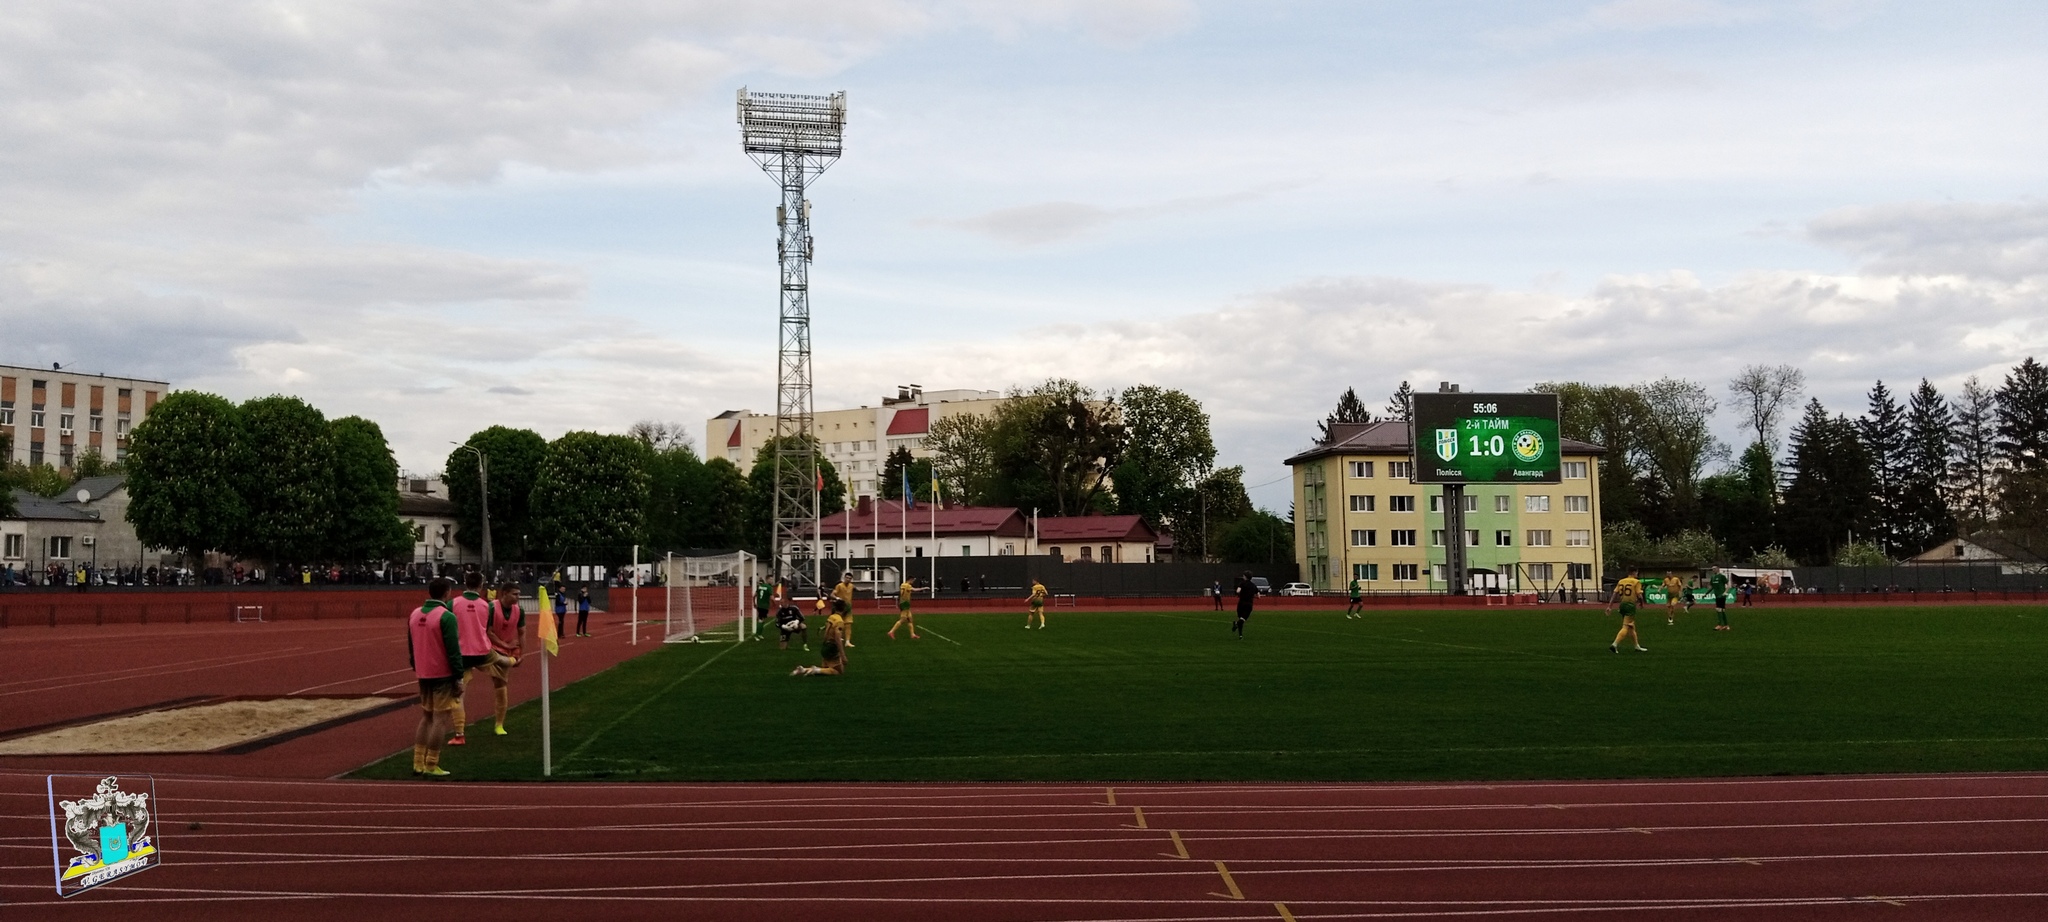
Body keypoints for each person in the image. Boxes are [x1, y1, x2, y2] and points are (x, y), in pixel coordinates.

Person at [446, 572, 515, 746]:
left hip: (461, 653)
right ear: (481, 585)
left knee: (458, 694)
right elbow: (487, 629)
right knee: (501, 665)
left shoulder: (452, 603)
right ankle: (515, 660)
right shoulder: (486, 605)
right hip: (482, 650)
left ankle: (459, 734)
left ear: (465, 583)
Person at [407, 577, 464, 777]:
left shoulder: (414, 614)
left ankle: (417, 762)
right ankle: (432, 763)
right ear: (447, 593)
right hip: (442, 673)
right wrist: (458, 676)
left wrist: (417, 665)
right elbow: (453, 650)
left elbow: (411, 645)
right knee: (440, 719)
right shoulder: (446, 616)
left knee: (426, 717)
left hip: (423, 673)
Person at [482, 582, 524, 735]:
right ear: (504, 593)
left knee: (500, 685)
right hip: (487, 649)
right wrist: (505, 645)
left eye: (518, 594)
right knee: (463, 680)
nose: (518, 597)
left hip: (503, 652)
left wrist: (521, 653)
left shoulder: (519, 611)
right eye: (515, 594)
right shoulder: (491, 608)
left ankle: (499, 724)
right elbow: (488, 632)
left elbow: (522, 632)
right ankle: (459, 730)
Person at [1607, 568, 1648, 653]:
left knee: (1631, 626)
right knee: (1626, 626)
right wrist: (1642, 603)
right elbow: (1639, 595)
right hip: (1630, 605)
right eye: (1637, 572)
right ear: (1634, 572)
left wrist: (1610, 606)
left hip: (1622, 605)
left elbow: (1614, 594)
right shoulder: (1636, 582)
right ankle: (1614, 644)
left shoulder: (1621, 581)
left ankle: (1637, 646)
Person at [832, 574, 857, 648]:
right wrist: (837, 598)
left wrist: (867, 589)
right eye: (847, 578)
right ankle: (835, 637)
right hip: (840, 608)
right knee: (839, 624)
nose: (848, 579)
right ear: (844, 578)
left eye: (849, 578)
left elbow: (857, 589)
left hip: (848, 607)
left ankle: (847, 641)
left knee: (848, 624)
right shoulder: (839, 586)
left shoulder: (851, 586)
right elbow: (832, 594)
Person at [1232, 572, 1257, 638]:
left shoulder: (1242, 583)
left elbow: (1238, 591)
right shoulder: (1253, 585)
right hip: (1249, 604)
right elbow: (1258, 596)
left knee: (1240, 618)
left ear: (1245, 577)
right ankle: (1240, 634)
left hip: (1241, 603)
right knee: (1242, 619)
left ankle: (1240, 634)